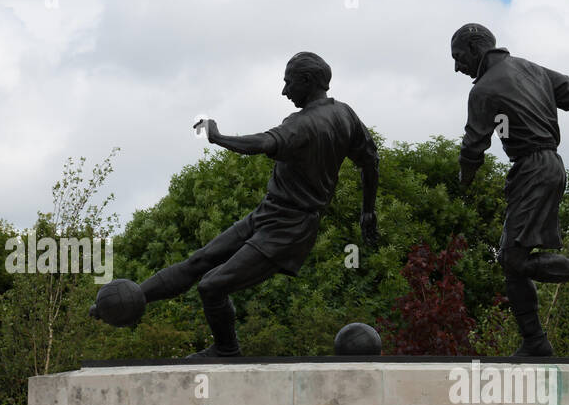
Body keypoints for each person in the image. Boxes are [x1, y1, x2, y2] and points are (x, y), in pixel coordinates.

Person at [96, 51, 378, 358]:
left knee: (212, 286)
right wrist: (368, 211)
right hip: (270, 213)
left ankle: (226, 350)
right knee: (199, 261)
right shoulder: (345, 115)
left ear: (307, 81)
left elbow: (261, 144)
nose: (284, 92)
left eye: (288, 83)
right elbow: (370, 160)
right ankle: (136, 296)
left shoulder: (304, 125)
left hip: (289, 229)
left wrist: (217, 137)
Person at [453, 23, 569, 357]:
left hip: (533, 169)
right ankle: (535, 341)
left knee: (513, 260)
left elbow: (472, 149)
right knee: (511, 260)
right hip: (547, 166)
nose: (457, 67)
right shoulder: (532, 69)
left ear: (474, 48)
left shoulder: (483, 90)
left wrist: (462, 185)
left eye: (458, 57)